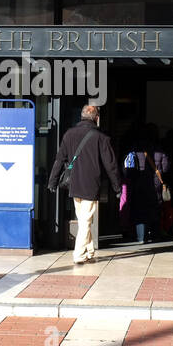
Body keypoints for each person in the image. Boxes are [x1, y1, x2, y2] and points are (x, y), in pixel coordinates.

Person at [48, 103, 123, 264]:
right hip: (91, 184)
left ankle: (89, 251)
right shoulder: (101, 138)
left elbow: (59, 159)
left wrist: (52, 181)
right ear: (96, 118)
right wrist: (117, 187)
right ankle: (79, 255)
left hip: (74, 184)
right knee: (86, 220)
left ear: (81, 117)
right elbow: (111, 165)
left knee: (83, 218)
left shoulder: (69, 134)